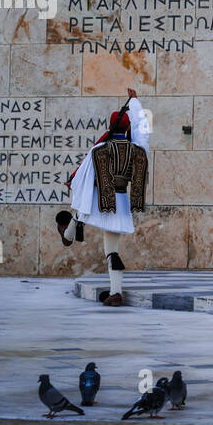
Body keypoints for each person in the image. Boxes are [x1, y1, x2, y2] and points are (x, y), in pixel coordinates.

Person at [56, 88, 151, 306]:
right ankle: (115, 293)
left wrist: (73, 184)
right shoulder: (137, 150)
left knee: (82, 209)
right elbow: (142, 130)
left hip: (99, 201)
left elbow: (84, 176)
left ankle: (68, 234)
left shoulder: (99, 149)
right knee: (112, 251)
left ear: (110, 126)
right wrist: (135, 103)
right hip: (121, 204)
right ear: (127, 128)